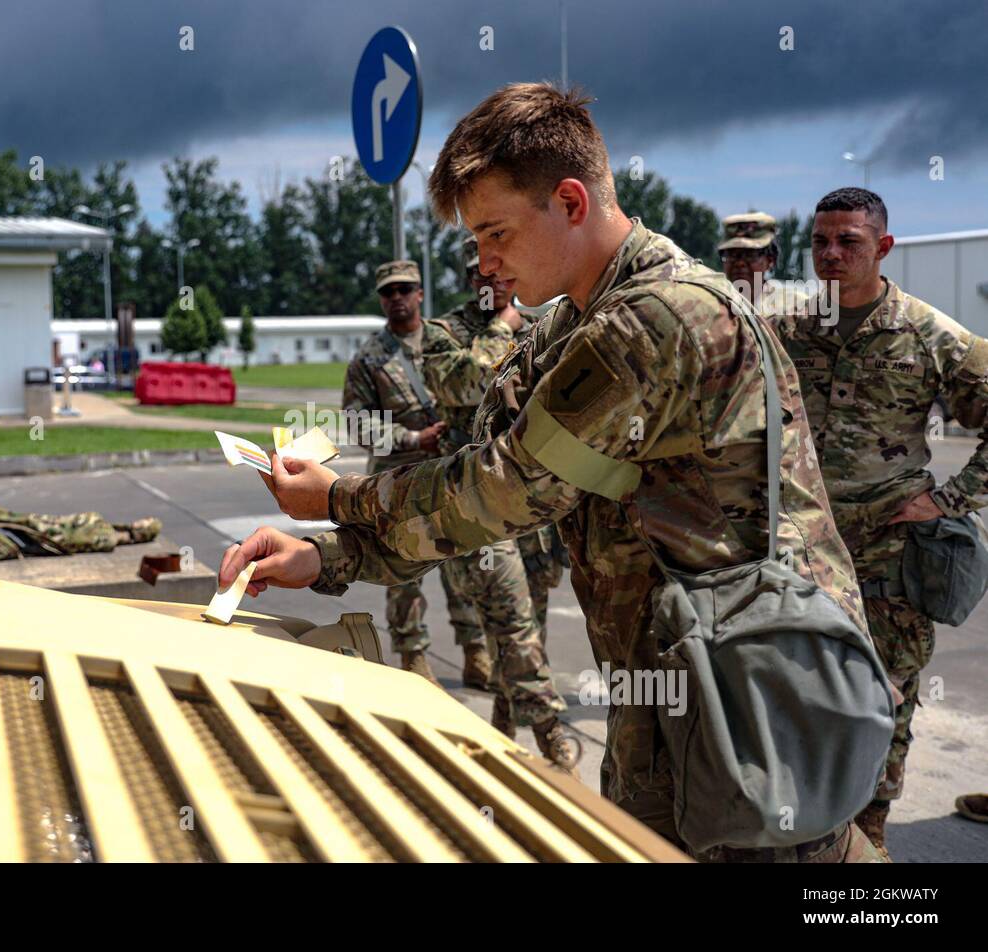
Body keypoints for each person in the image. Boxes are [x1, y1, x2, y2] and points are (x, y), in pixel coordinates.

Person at [222, 82, 884, 861]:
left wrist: (336, 498)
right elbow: (482, 472)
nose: (486, 262)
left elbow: (501, 491)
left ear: (570, 200)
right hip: (677, 691)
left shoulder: (656, 320)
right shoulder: (572, 321)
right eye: (474, 241)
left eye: (496, 232)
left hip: (749, 702)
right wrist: (331, 554)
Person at [777, 187, 988, 855]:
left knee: (888, 699)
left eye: (849, 242)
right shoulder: (789, 328)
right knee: (797, 691)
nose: (831, 255)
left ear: (884, 248)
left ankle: (870, 837)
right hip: (803, 552)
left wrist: (949, 501)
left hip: (889, 557)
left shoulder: (928, 334)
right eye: (820, 242)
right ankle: (808, 828)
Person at [421, 237, 573, 754]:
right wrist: (498, 328)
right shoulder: (443, 334)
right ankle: (556, 750)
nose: (493, 281)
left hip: (533, 506)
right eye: (481, 273)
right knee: (511, 625)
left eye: (500, 271)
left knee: (528, 630)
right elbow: (460, 386)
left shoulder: (539, 330)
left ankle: (503, 741)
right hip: (476, 507)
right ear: (470, 279)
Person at [340, 259, 492, 689]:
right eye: (389, 292)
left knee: (464, 567)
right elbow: (358, 423)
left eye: (405, 289)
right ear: (382, 300)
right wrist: (410, 438)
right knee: (403, 571)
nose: (398, 298)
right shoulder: (369, 358)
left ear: (420, 293)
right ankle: (412, 657)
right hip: (399, 481)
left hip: (451, 473)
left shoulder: (448, 340)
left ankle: (476, 652)